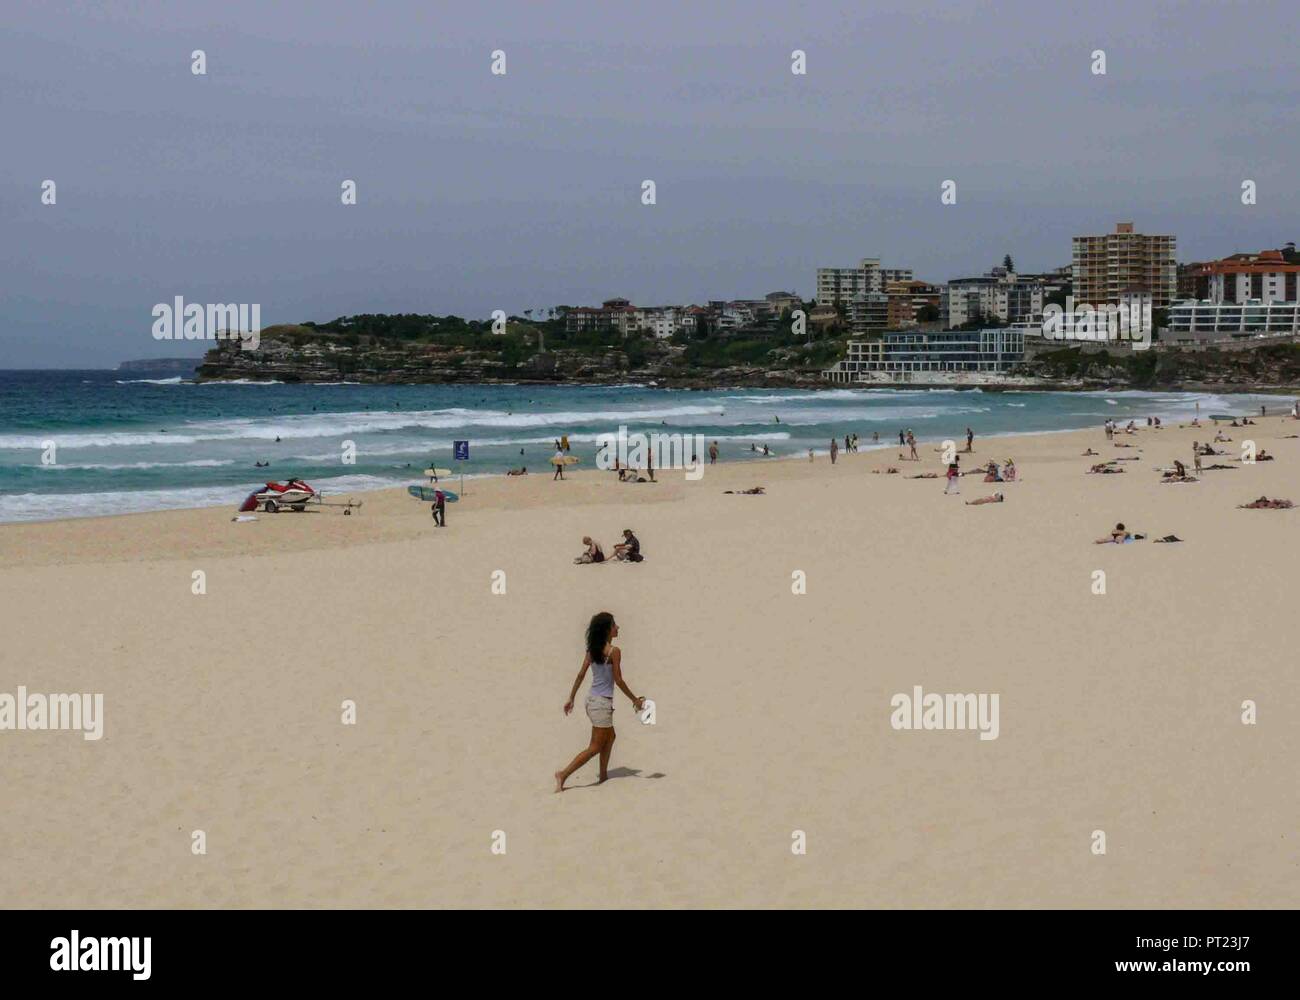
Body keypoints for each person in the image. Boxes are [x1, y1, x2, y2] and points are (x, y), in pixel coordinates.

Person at [555, 612, 645, 792]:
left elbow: (581, 675)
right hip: (601, 704)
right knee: (595, 747)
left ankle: (603, 776)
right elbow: (618, 680)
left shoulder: (592, 650)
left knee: (610, 737)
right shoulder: (614, 652)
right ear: (607, 629)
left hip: (592, 701)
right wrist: (635, 700)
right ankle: (563, 774)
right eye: (614, 625)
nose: (617, 628)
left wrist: (571, 698)